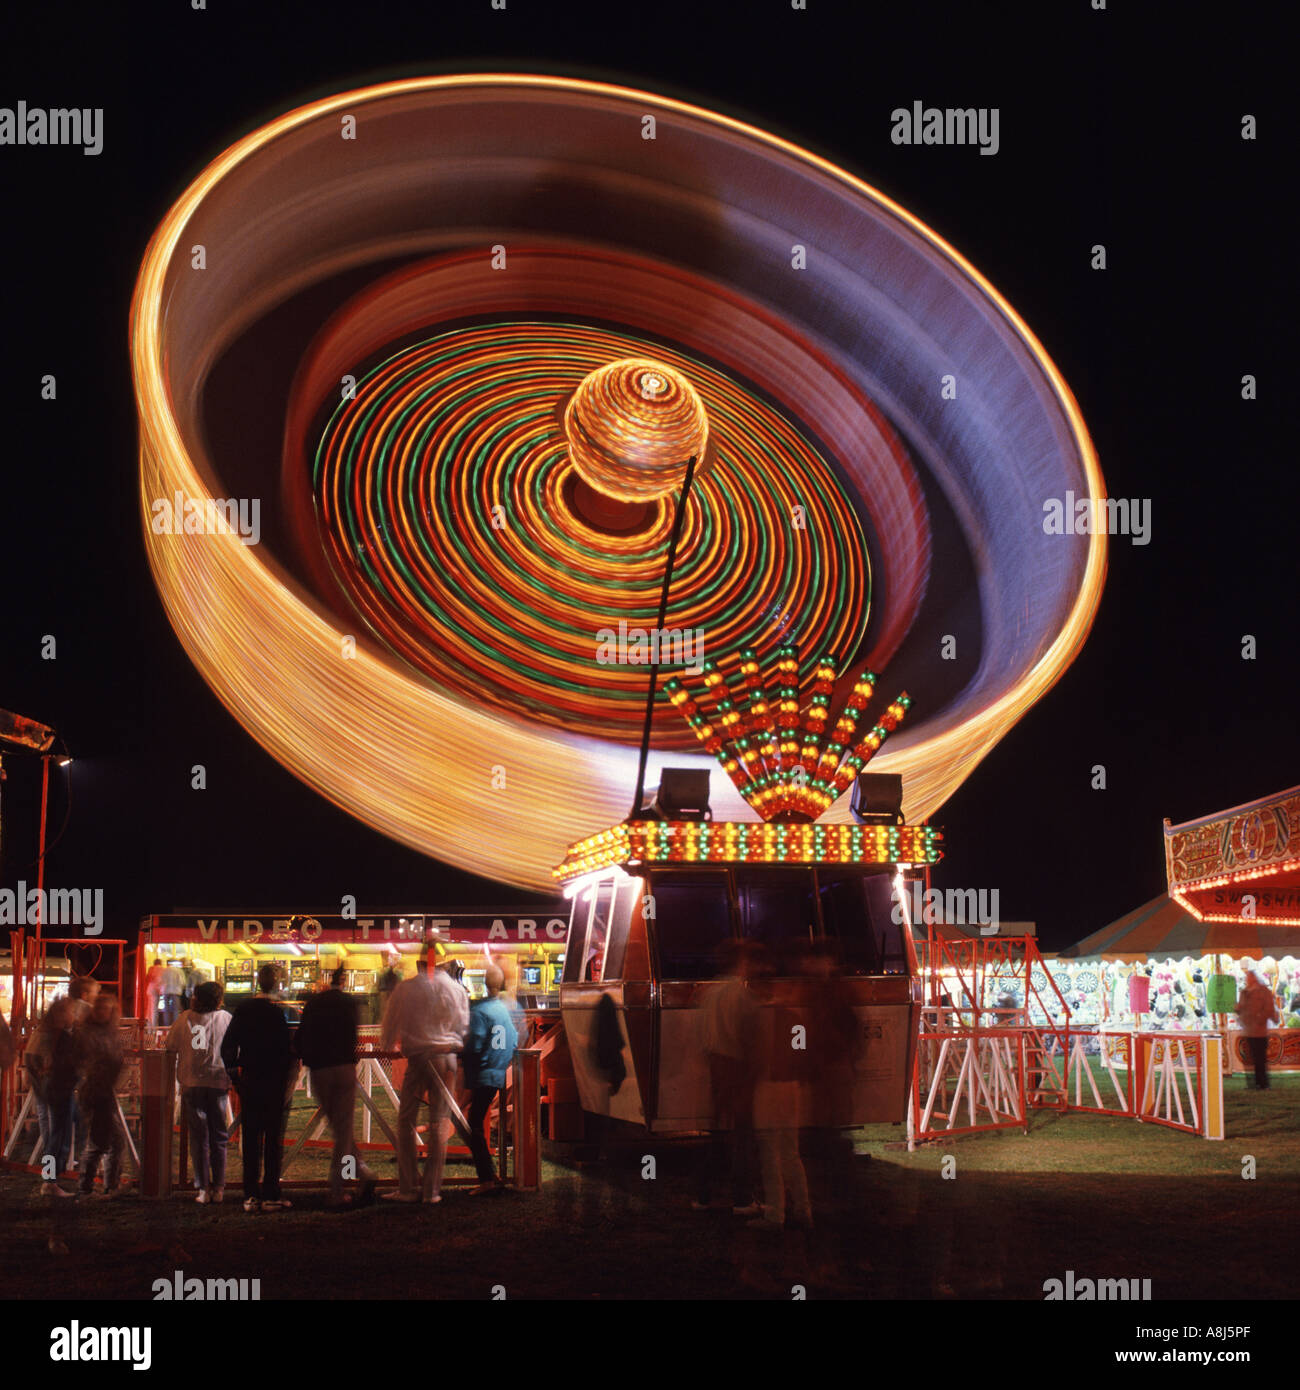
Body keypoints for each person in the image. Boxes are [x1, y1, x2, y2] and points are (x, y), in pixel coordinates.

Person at [380, 953, 469, 1203]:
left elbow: (390, 1022)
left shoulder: (406, 988)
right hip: (445, 1057)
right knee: (440, 1122)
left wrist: (387, 1044)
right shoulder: (455, 989)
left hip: (418, 1056)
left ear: (420, 964)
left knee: (406, 1120)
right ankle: (432, 1190)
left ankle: (408, 1186)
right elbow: (463, 1026)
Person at [295, 967, 376, 1208]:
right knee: (343, 1128)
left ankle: (340, 1187)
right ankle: (359, 1175)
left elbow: (302, 1036)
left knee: (339, 1128)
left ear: (325, 981)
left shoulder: (313, 1004)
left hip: (320, 1069)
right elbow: (354, 1035)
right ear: (344, 981)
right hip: (344, 1067)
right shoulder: (350, 1003)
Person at [693, 940, 761, 1215]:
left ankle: (703, 1195)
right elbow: (749, 1037)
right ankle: (743, 1199)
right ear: (742, 963)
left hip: (716, 1067)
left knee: (718, 1134)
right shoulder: (741, 995)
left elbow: (703, 1036)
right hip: (737, 1069)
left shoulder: (710, 994)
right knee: (744, 1136)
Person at [221, 964, 294, 1212]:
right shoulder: (281, 1010)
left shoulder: (244, 1009)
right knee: (273, 1139)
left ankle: (250, 1194)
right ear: (277, 985)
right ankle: (271, 1192)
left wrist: (234, 1074)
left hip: (250, 1078)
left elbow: (228, 1044)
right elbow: (287, 1049)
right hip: (274, 1079)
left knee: (251, 1139)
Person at [25, 977, 98, 1196]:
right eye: (69, 1013)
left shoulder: (48, 1032)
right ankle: (49, 1181)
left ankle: (50, 1179)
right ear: (60, 1015)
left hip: (54, 1087)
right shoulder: (57, 1036)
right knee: (58, 1136)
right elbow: (60, 1062)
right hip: (58, 1088)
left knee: (60, 1133)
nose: (73, 1016)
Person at [166, 980, 233, 1204]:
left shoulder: (185, 1018)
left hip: (192, 1082)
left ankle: (203, 1188)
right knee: (219, 1137)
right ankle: (220, 1187)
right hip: (217, 1081)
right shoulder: (225, 1019)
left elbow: (170, 1045)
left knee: (198, 1138)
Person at [463, 964, 518, 1192]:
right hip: (498, 1073)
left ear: (484, 983)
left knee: (473, 1124)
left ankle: (486, 1178)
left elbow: (474, 1045)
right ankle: (490, 1175)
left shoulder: (481, 1011)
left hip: (483, 1074)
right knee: (474, 1120)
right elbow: (513, 1041)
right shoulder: (503, 1010)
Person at [74, 992, 128, 1197]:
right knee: (105, 1141)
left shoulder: (108, 1032)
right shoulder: (87, 1033)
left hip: (105, 1090)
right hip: (96, 1091)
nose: (102, 1012)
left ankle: (100, 1185)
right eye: (99, 1008)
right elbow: (87, 1060)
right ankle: (92, 1186)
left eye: (106, 1009)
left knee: (106, 1140)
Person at [1235, 969, 1279, 1090]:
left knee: (1260, 1059)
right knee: (1253, 1059)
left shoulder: (1263, 991)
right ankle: (1256, 1083)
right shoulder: (1244, 992)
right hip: (1249, 1030)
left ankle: (1263, 1084)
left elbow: (1269, 1009)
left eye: (1249, 977)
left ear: (1254, 978)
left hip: (1259, 1031)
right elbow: (1240, 1007)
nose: (1247, 979)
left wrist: (1259, 1018)